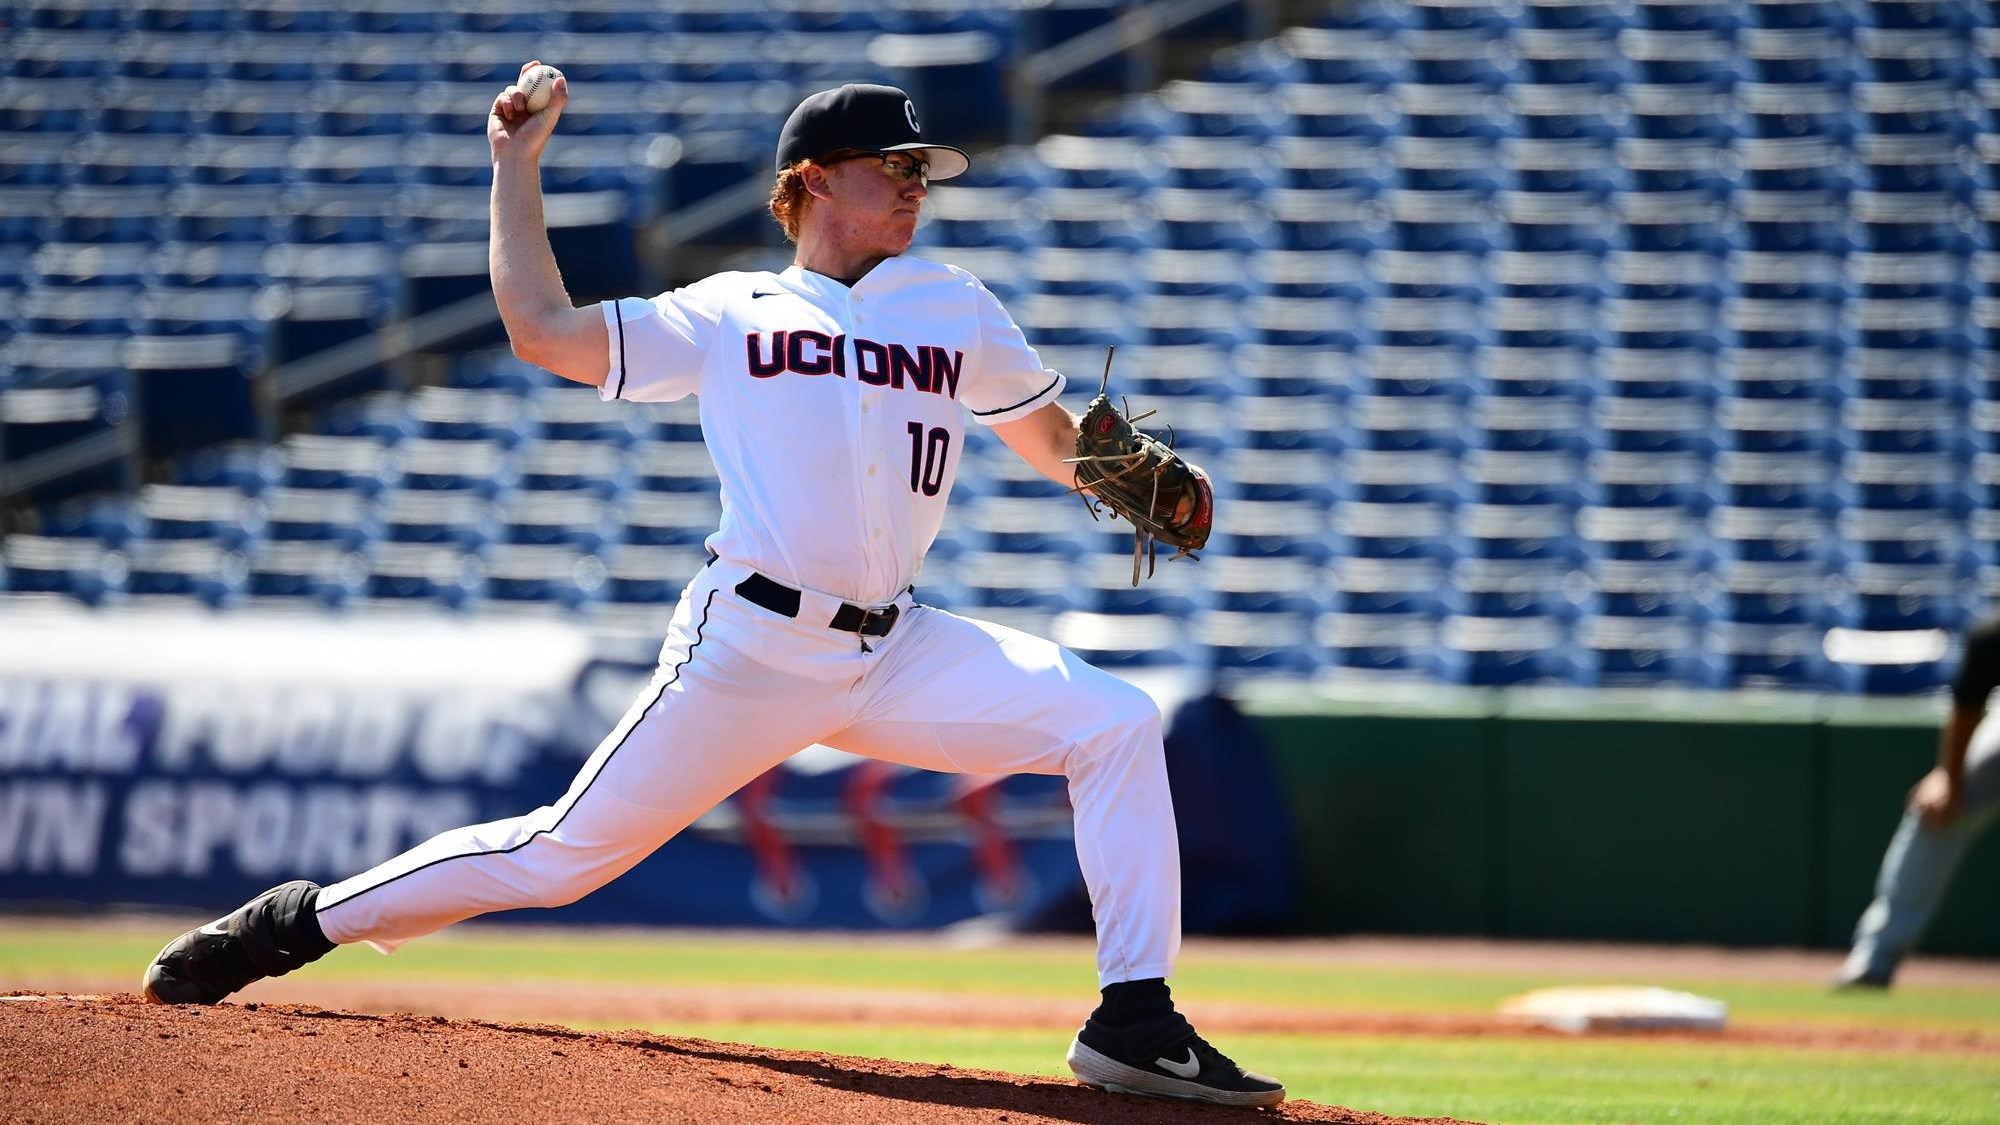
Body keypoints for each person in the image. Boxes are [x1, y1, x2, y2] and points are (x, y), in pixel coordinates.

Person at [138, 67, 1285, 1108]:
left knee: (1114, 723)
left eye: (919, 170)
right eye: (891, 166)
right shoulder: (731, 311)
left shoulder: (950, 303)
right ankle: (292, 925)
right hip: (750, 648)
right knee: (556, 858)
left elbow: (1049, 438)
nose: (914, 185)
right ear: (812, 180)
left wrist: (1122, 473)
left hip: (896, 648)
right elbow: (542, 331)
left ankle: (1134, 1020)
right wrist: (514, 166)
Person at [1837, 614, 2000, 989]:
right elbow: (1967, 709)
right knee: (1936, 809)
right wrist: (1949, 779)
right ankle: (1874, 958)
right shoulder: (1993, 638)